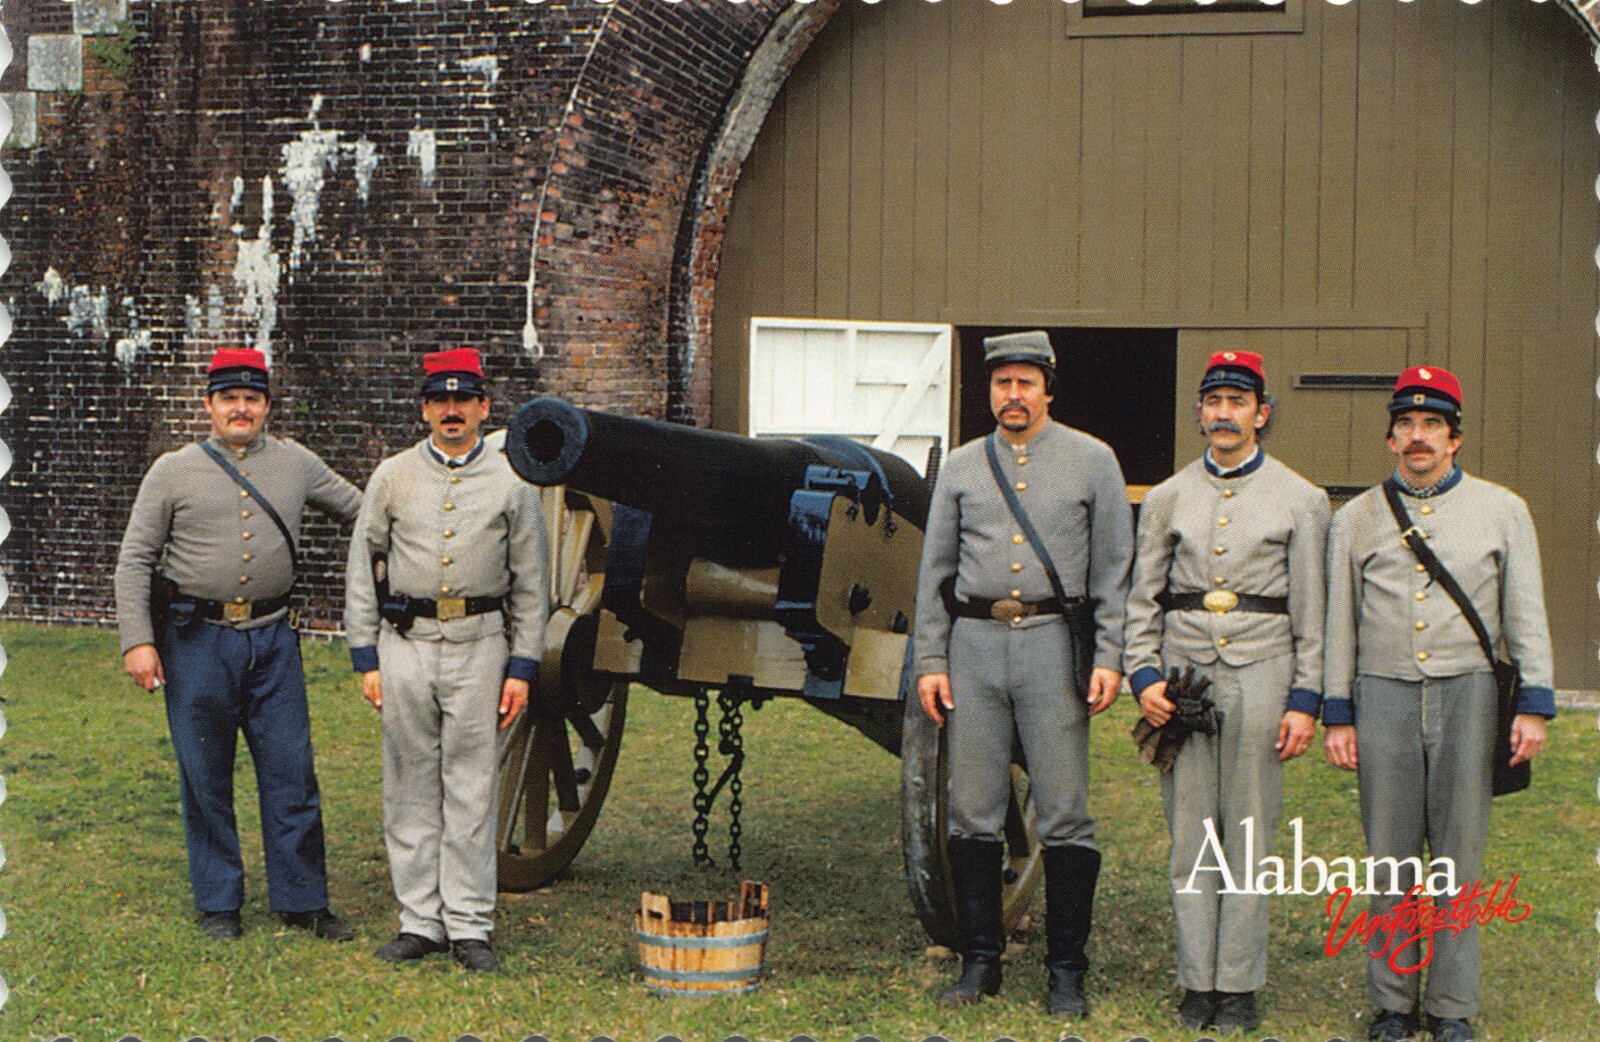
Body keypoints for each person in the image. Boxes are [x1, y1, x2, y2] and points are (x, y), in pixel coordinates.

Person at [1323, 366, 1554, 1042]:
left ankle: (1451, 1007)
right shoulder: (1355, 517)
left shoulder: (1502, 509)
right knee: (1390, 858)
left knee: (1459, 856)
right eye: (1406, 426)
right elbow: (1342, 624)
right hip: (1384, 692)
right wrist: (1340, 711)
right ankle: (1393, 1003)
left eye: (1432, 426)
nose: (1417, 437)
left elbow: (1526, 614)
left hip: (1469, 695)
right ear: (1390, 438)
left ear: (1456, 439)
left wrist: (1533, 705)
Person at [912, 330, 1133, 1016]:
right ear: (990, 391)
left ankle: (1067, 969)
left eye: (1025, 383)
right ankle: (982, 959)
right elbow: (936, 573)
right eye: (1001, 383)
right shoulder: (963, 468)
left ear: (1048, 389)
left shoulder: (1092, 461)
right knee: (973, 811)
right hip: (975, 646)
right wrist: (930, 658)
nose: (1013, 395)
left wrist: (1108, 656)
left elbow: (1114, 573)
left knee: (1065, 812)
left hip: (1049, 646)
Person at [114, 347, 361, 941]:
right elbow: (134, 560)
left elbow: (364, 511)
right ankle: (219, 902)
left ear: (267, 405)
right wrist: (137, 642)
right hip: (196, 641)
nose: (241, 408)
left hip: (274, 639)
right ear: (209, 405)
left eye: (253, 398)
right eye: (230, 398)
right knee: (205, 775)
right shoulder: (172, 471)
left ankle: (302, 900)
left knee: (292, 773)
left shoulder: (297, 462)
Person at [1124, 350, 1330, 1033]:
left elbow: (1314, 611)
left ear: (1260, 414)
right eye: (1213, 402)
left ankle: (1236, 984)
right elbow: (1142, 598)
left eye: (1237, 403)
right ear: (1200, 413)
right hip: (1185, 674)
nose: (1223, 414)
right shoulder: (1167, 497)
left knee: (1246, 831)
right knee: (1190, 833)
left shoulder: (1302, 500)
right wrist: (1145, 676)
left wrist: (1305, 699)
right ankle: (1196, 981)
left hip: (1261, 670)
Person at [344, 347, 548, 972]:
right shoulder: (392, 476)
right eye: (440, 401)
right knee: (408, 783)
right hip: (406, 646)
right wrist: (365, 656)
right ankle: (419, 921)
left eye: (464, 400)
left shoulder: (514, 482)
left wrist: (522, 667)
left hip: (480, 647)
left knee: (471, 786)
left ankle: (468, 924)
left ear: (485, 407)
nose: (452, 411)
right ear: (425, 410)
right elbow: (362, 566)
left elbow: (532, 585)